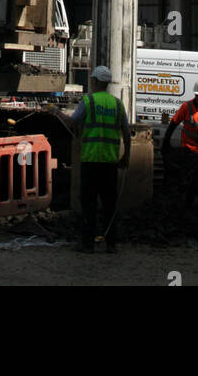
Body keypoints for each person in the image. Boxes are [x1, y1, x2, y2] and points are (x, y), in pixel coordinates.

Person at [59, 65, 131, 254]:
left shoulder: (88, 101)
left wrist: (55, 112)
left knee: (88, 204)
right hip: (109, 162)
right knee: (109, 205)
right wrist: (126, 156)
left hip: (91, 160)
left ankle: (87, 244)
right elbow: (126, 132)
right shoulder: (117, 104)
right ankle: (111, 244)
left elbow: (72, 122)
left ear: (96, 81)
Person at [161, 78, 198, 203]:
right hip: (189, 150)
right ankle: (194, 202)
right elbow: (173, 124)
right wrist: (166, 142)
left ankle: (196, 201)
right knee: (193, 177)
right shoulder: (186, 107)